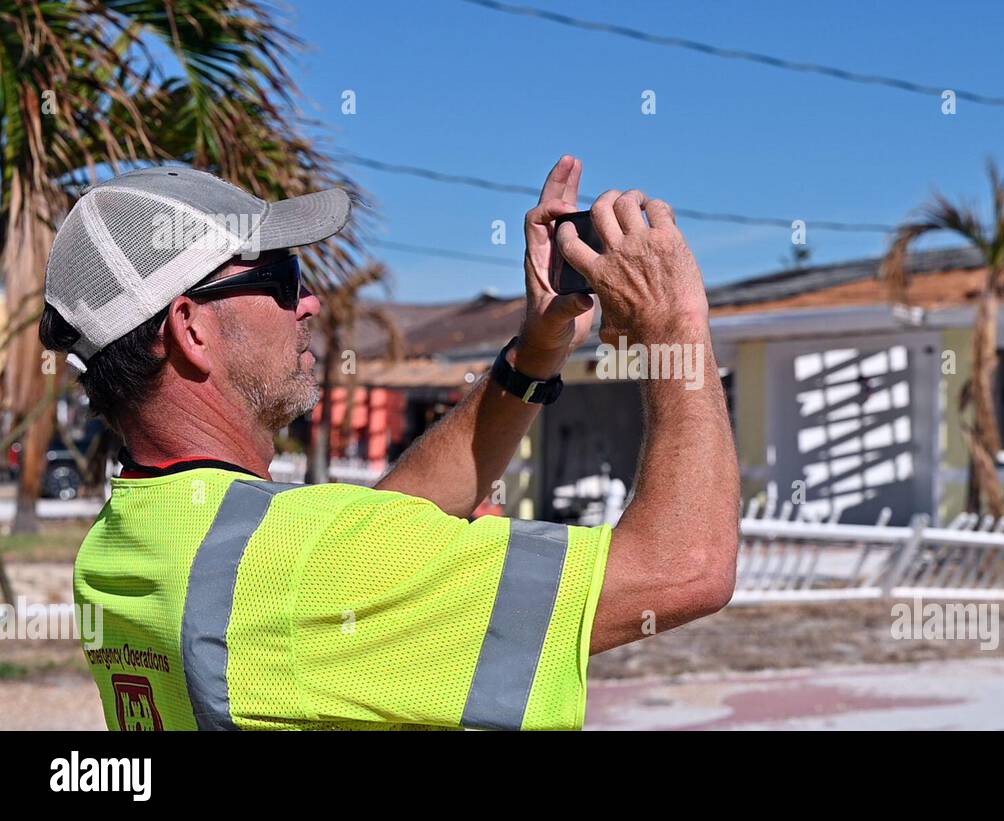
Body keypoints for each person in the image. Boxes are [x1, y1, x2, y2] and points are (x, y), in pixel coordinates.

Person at [38, 156, 739, 730]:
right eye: (282, 281)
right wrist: (674, 320)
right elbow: (685, 566)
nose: (310, 303)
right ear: (191, 329)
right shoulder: (299, 566)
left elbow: (384, 529)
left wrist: (535, 356)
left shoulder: (123, 544)